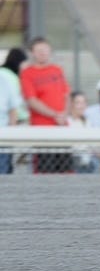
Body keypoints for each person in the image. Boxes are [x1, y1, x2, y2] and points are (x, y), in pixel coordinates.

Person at [20, 38, 72, 173]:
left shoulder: (57, 70)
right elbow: (32, 100)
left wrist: (64, 115)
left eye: (45, 49)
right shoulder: (27, 74)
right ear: (32, 53)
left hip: (62, 128)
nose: (43, 53)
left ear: (50, 51)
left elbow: (66, 95)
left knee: (66, 170)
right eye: (39, 50)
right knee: (45, 171)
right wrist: (55, 115)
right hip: (42, 130)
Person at [66, 91, 100, 173]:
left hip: (90, 160)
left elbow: (93, 144)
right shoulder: (67, 122)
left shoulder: (88, 122)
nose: (82, 106)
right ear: (71, 104)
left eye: (84, 102)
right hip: (75, 161)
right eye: (78, 103)